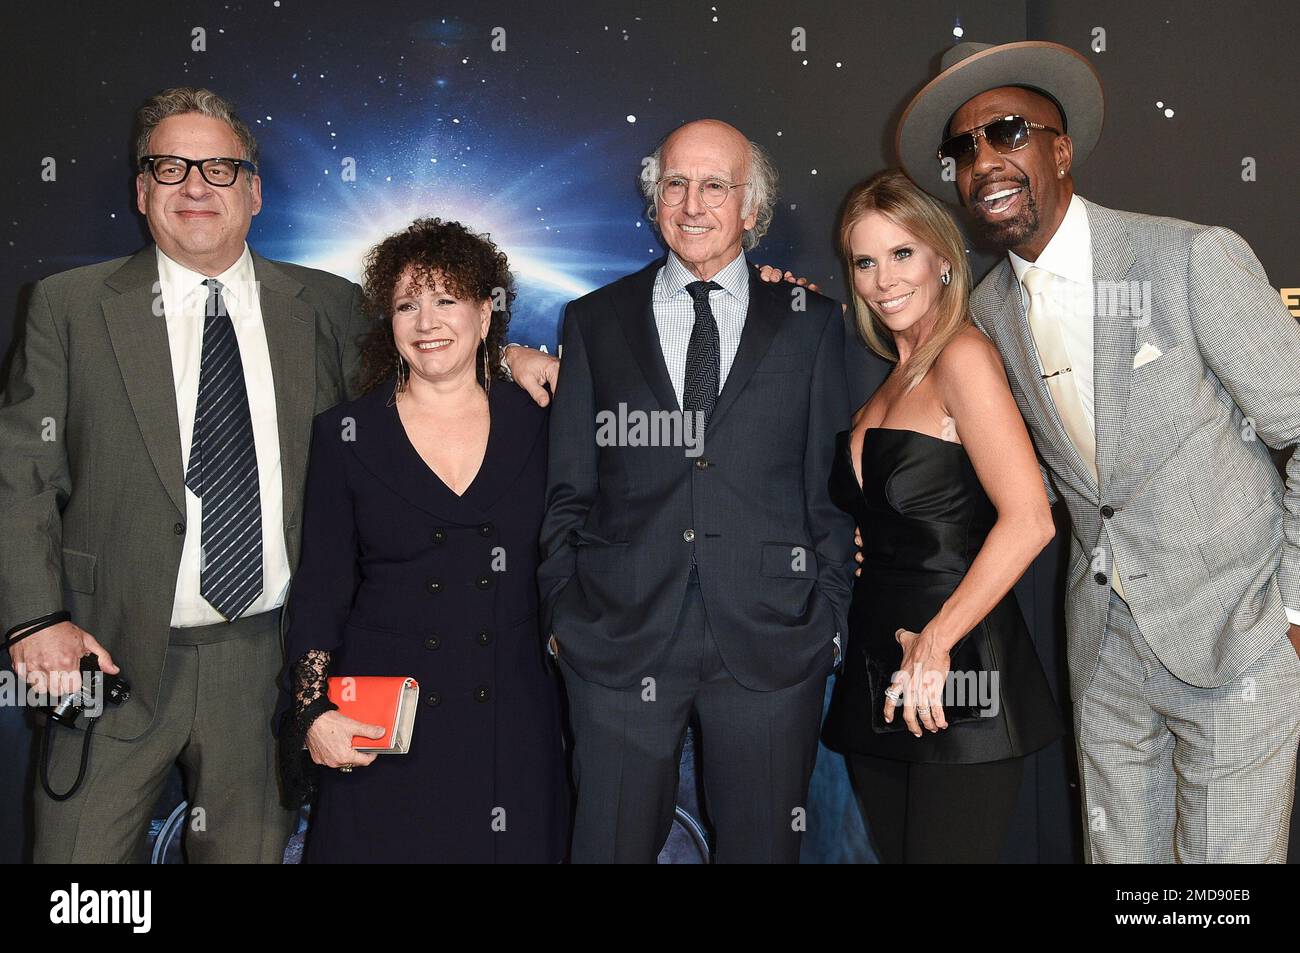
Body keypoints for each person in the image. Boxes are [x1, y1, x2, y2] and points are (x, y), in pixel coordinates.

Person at [896, 40, 1300, 862]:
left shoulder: (1188, 258)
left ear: (1061, 148)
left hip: (1239, 635)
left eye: (1006, 131)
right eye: (962, 148)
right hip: (1106, 654)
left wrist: (1291, 614)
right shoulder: (990, 310)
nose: (984, 161)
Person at [0, 87, 367, 862]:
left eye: (221, 168)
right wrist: (35, 619)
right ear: (141, 191)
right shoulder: (67, 307)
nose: (196, 185)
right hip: (105, 654)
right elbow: (21, 471)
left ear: (256, 191)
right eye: (170, 166)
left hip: (266, 661)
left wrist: (509, 358)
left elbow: (420, 385)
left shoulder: (330, 308)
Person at [538, 118, 854, 863]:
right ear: (654, 202)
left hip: (775, 643)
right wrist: (563, 615)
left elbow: (828, 490)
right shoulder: (594, 320)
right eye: (674, 183)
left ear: (752, 208)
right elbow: (567, 489)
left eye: (716, 185)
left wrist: (830, 620)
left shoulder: (811, 323)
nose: (692, 203)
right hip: (616, 641)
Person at [278, 218, 569, 863]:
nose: (425, 321)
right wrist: (312, 712)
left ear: (485, 312)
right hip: (388, 723)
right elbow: (323, 587)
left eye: (446, 299)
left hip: (512, 717)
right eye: (406, 303)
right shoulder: (346, 434)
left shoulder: (544, 420)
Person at [812, 169, 1063, 863]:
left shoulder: (964, 355)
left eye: (902, 254)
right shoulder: (885, 383)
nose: (883, 278)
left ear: (943, 258)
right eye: (865, 261)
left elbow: (1030, 518)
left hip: (958, 666)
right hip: (877, 671)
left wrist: (936, 641)